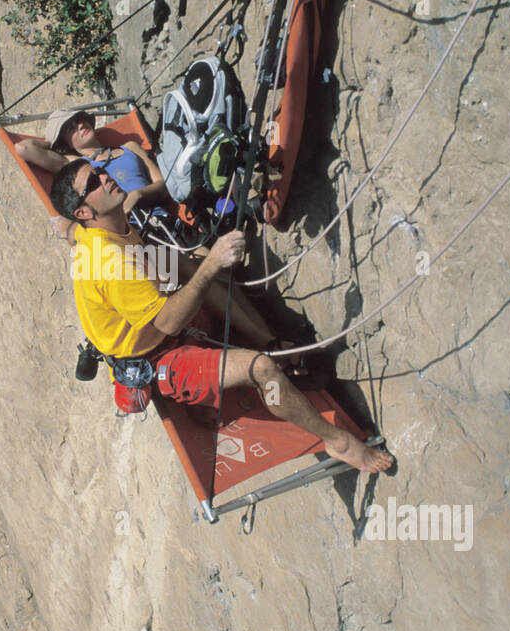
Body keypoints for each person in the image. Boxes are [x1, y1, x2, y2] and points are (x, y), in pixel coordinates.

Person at [49, 158, 394, 475]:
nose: (105, 176)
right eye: (94, 181)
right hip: (156, 355)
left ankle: (269, 340)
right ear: (85, 211)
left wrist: (63, 227)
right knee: (262, 369)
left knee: (182, 262)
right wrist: (212, 263)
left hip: (153, 317)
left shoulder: (97, 227)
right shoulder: (111, 262)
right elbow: (167, 323)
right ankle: (339, 443)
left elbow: (71, 232)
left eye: (99, 169)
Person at [14, 108, 170, 223]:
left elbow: (164, 184)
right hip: (132, 229)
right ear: (65, 143)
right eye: (71, 129)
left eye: (80, 120)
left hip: (161, 217)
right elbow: (23, 148)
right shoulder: (78, 166)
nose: (80, 125)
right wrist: (53, 143)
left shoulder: (130, 147)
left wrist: (138, 194)